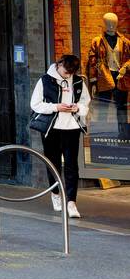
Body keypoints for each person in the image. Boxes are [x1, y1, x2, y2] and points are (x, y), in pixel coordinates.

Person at [31, 53, 90, 218]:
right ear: (59, 65)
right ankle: (56, 194)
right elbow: (35, 104)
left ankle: (72, 202)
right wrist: (56, 107)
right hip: (52, 128)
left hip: (72, 127)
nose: (68, 75)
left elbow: (86, 101)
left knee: (72, 165)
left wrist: (77, 108)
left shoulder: (78, 81)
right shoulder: (45, 80)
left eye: (71, 73)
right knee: (53, 163)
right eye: (65, 72)